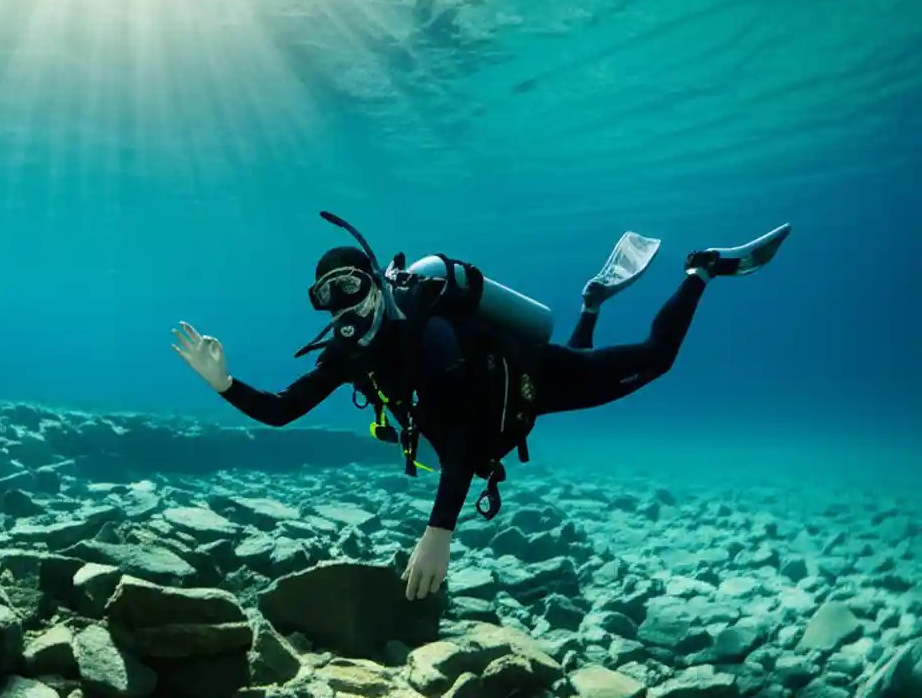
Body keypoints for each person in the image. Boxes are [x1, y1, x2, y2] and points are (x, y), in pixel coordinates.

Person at [172, 212, 791, 601]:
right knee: (582, 360)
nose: (341, 308)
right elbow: (284, 409)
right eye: (325, 298)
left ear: (378, 284)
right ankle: (593, 302)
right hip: (498, 414)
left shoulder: (428, 332)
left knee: (655, 360)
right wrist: (225, 384)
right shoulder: (346, 354)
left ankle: (700, 269)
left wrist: (437, 534)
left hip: (527, 384)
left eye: (351, 288)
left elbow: (461, 440)